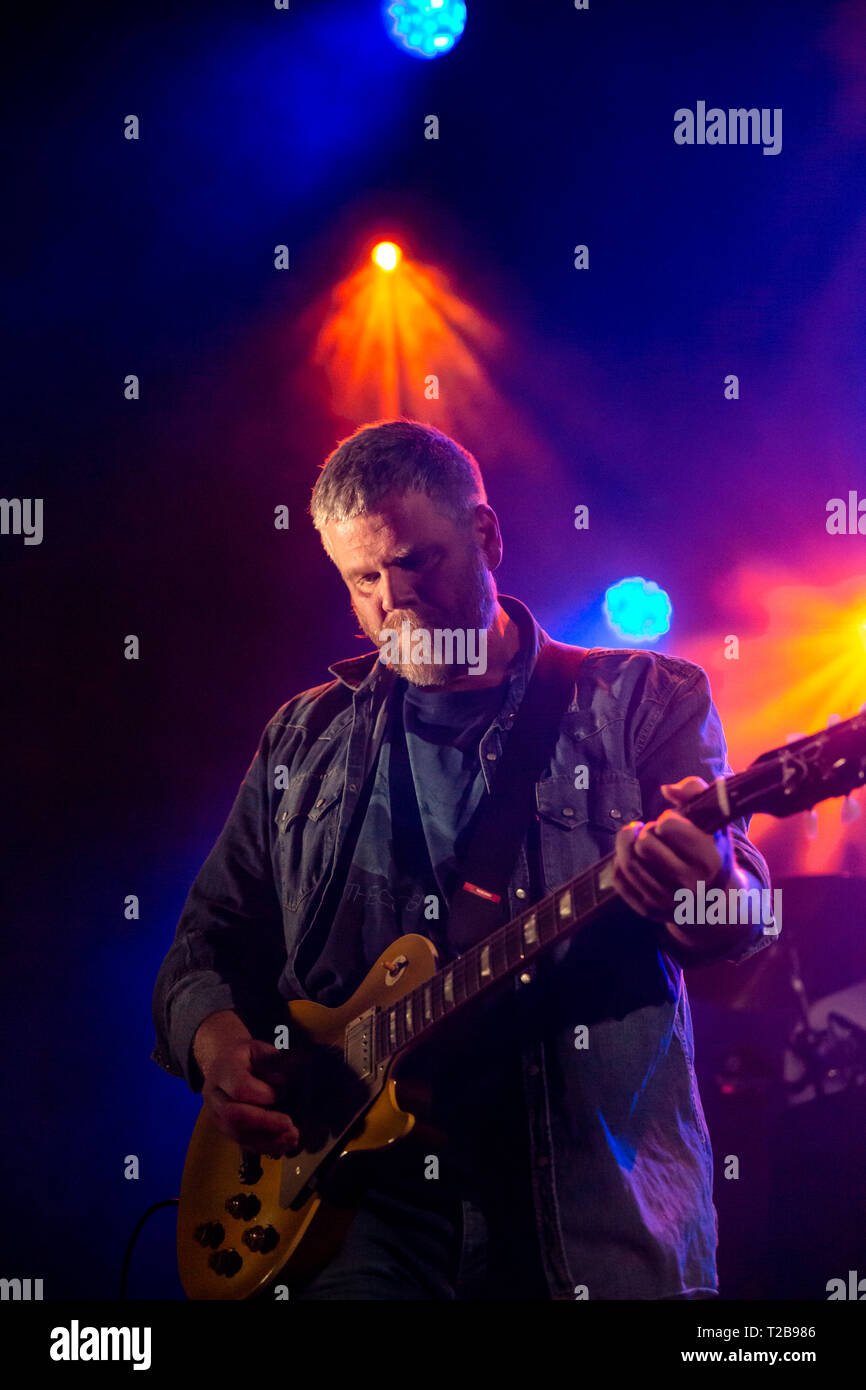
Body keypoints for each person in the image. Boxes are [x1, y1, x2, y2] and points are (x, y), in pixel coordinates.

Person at [151, 418, 775, 1300]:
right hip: (353, 1215)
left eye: (416, 562)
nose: (392, 602)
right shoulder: (304, 734)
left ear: (485, 536)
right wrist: (215, 1044)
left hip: (583, 1213)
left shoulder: (641, 700)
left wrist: (705, 880)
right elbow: (203, 944)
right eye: (363, 579)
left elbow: (741, 921)